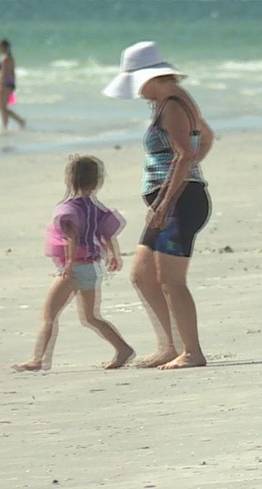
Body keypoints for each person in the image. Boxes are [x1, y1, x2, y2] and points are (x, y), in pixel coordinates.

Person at [102, 41, 215, 370]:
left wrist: (166, 201)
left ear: (150, 77)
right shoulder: (173, 101)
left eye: (137, 84)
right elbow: (204, 139)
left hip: (179, 204)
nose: (137, 93)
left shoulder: (173, 106)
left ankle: (192, 352)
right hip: (176, 199)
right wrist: (188, 173)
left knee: (170, 280)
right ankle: (170, 346)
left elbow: (183, 154)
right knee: (141, 275)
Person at [13, 156, 131, 371]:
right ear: (97, 182)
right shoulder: (95, 208)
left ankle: (38, 359)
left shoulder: (68, 209)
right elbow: (107, 234)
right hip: (90, 268)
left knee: (48, 314)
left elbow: (71, 237)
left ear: (70, 179)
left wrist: (67, 265)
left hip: (73, 268)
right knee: (91, 317)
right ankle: (123, 349)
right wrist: (115, 255)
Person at [0, 39, 26, 132]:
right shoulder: (10, 57)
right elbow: (12, 72)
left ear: (4, 47)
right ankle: (5, 127)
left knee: (1, 107)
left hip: (5, 83)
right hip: (10, 83)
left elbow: (4, 73)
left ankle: (20, 120)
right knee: (3, 107)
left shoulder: (5, 58)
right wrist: (13, 84)